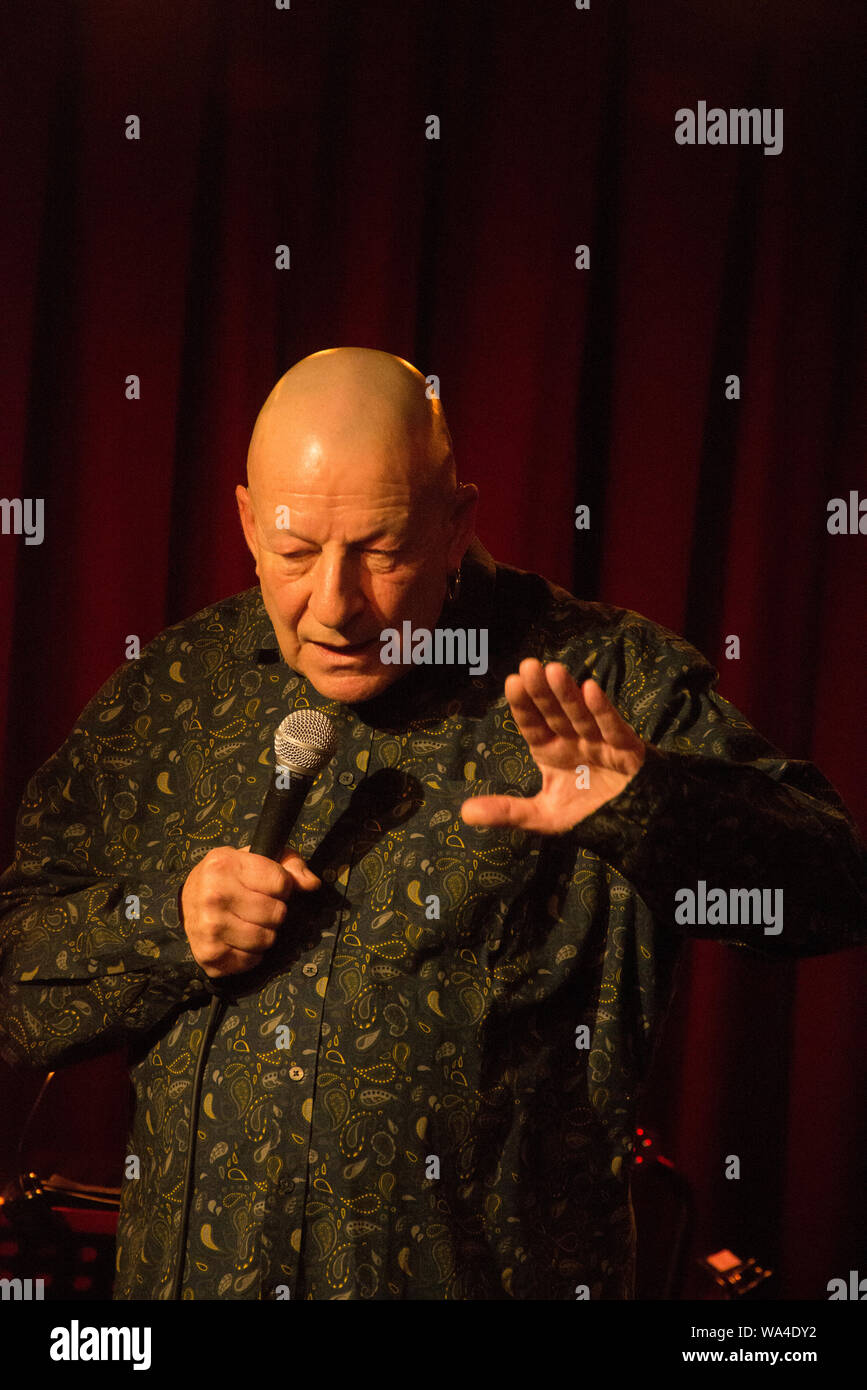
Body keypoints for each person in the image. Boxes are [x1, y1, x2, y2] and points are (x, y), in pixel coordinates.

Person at [0, 348, 864, 1301]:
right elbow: (15, 989)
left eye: (381, 551)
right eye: (295, 553)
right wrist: (167, 928)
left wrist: (649, 805)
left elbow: (832, 891)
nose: (335, 606)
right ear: (247, 521)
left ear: (456, 527)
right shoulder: (176, 689)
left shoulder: (603, 678)